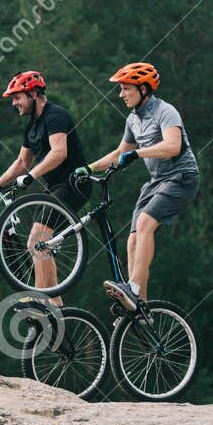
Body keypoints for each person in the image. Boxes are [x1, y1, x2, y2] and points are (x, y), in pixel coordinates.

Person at [74, 62, 199, 312]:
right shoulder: (133, 119)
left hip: (182, 177)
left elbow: (173, 146)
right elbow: (120, 152)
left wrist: (138, 154)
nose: (121, 95)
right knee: (132, 240)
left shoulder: (166, 111)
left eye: (125, 89)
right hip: (156, 182)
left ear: (143, 88)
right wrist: (89, 169)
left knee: (144, 224)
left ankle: (133, 288)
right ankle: (138, 303)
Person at [0, 70, 89, 292]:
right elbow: (23, 161)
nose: (14, 103)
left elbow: (59, 152)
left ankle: (42, 298)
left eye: (17, 97)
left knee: (37, 240)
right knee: (40, 245)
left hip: (73, 184)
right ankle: (54, 301)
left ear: (33, 94)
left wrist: (32, 176)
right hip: (55, 188)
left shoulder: (56, 116)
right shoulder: (31, 125)